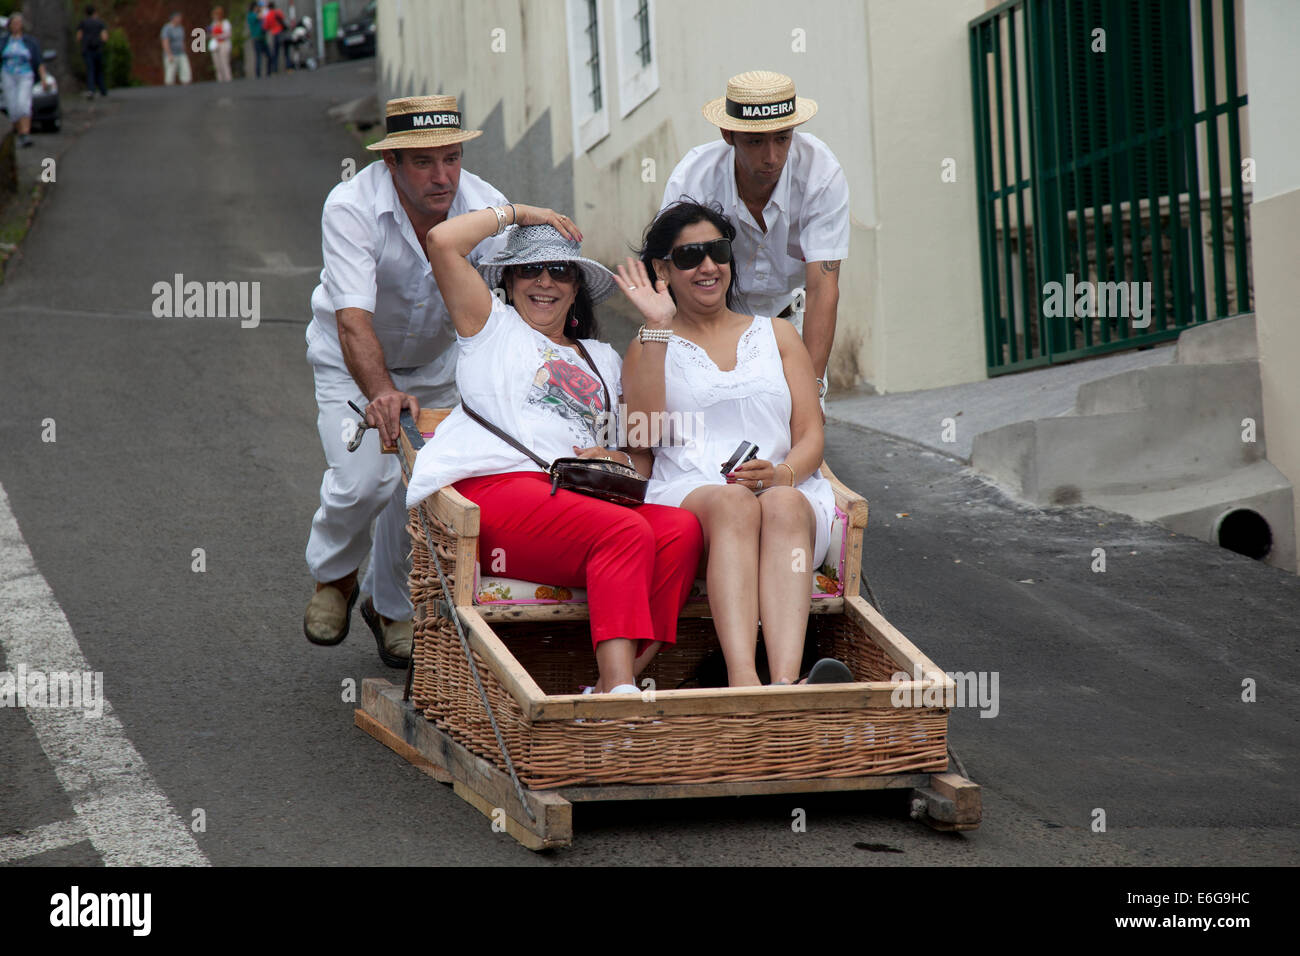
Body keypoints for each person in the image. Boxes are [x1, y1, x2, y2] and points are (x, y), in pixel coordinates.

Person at [406, 213, 705, 694]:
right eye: (528, 269)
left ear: (575, 288)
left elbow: (642, 442)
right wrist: (522, 215)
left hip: (576, 503)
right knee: (624, 532)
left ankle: (612, 683)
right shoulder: (490, 328)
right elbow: (441, 241)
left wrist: (658, 323)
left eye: (560, 271)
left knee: (680, 531)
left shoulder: (601, 357)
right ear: (507, 280)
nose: (544, 281)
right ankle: (619, 692)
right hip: (496, 495)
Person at [303, 96, 510, 668]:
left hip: (441, 368)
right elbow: (352, 319)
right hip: (353, 362)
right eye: (424, 163)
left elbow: (505, 307)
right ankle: (336, 576)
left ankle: (391, 608)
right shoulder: (350, 205)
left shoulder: (486, 206)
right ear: (391, 163)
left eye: (452, 158)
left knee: (416, 488)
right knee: (362, 483)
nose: (442, 176)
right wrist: (381, 393)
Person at [617, 199, 848, 688]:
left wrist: (783, 473)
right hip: (691, 497)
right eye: (688, 256)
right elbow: (643, 436)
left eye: (717, 251)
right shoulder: (647, 342)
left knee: (783, 503)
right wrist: (657, 328)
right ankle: (744, 679)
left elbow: (811, 435)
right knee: (733, 502)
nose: (707, 266)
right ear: (662, 269)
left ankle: (785, 685)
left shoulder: (779, 334)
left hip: (787, 495)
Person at [661, 71, 849, 409]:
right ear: (728, 134)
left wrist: (813, 387)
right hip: (711, 317)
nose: (772, 157)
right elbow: (673, 276)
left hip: (791, 316)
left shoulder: (821, 172)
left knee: (800, 443)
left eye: (782, 138)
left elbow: (823, 287)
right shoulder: (693, 178)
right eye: (755, 141)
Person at [2, 14, 48, 147]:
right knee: (12, 107)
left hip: (25, 75)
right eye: (14, 23)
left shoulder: (30, 42)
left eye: (18, 23)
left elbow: (39, 61)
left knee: (23, 104)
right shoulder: (4, 42)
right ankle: (20, 132)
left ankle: (25, 134)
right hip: (8, 75)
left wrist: (44, 79)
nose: (16, 26)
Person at [75, 5, 109, 98]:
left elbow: (79, 37)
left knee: (90, 70)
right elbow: (105, 37)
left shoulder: (83, 23)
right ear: (95, 12)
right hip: (98, 49)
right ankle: (103, 90)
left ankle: (91, 89)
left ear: (85, 13)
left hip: (87, 50)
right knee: (99, 70)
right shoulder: (100, 23)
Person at [160, 11, 191, 86]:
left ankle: (186, 84)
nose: (179, 19)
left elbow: (182, 40)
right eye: (178, 18)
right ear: (173, 18)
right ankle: (170, 87)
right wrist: (169, 54)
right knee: (170, 72)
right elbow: (165, 41)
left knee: (185, 70)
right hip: (171, 54)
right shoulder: (167, 28)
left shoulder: (180, 28)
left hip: (181, 53)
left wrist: (184, 50)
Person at [262, 1, 288, 74]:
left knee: (276, 52)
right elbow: (283, 19)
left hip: (275, 34)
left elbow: (265, 27)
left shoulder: (268, 15)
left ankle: (275, 69)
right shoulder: (278, 12)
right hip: (282, 33)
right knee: (286, 51)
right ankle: (288, 66)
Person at [209, 7, 233, 82]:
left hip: (224, 44)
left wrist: (219, 36)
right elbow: (212, 33)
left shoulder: (225, 23)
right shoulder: (213, 23)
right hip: (216, 45)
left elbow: (228, 34)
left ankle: (228, 79)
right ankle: (220, 79)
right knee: (217, 64)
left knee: (224, 63)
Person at [247, 1, 269, 77]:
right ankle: (258, 75)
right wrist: (263, 8)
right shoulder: (251, 15)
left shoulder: (256, 14)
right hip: (256, 38)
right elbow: (261, 16)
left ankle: (268, 72)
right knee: (258, 56)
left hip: (262, 37)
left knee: (268, 55)